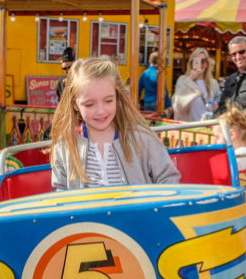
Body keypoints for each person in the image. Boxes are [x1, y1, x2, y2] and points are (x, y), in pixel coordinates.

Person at [50, 57, 180, 191]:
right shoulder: (66, 144)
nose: (100, 111)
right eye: (89, 104)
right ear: (75, 105)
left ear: (117, 97)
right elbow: (60, 192)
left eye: (108, 101)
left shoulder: (141, 137)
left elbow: (168, 178)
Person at [172, 48, 220, 121]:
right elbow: (178, 108)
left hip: (208, 128)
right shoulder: (183, 80)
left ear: (207, 64)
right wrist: (190, 79)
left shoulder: (213, 83)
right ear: (191, 63)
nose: (200, 64)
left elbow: (218, 106)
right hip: (190, 128)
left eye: (203, 61)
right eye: (196, 61)